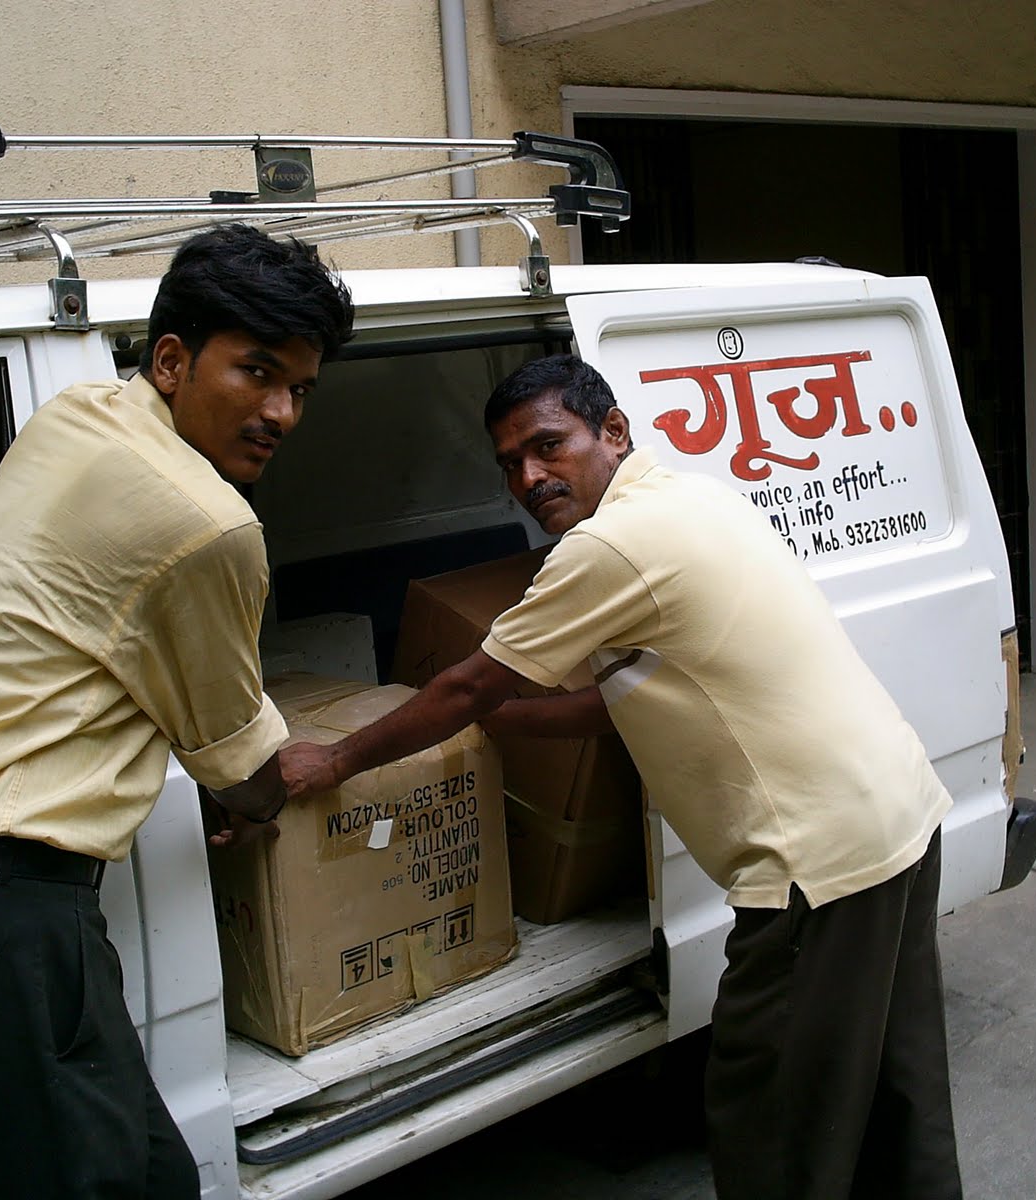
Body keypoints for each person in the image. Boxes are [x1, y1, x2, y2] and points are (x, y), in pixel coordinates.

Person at [280, 354, 964, 1200]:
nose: (529, 477)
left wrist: (337, 756)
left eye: (547, 446)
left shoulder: (606, 547)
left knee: (775, 1114)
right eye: (509, 464)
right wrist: (501, 726)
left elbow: (468, 682)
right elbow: (638, 694)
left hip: (813, 869)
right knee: (898, 1098)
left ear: (612, 431)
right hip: (897, 814)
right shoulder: (688, 496)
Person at [0, 224, 354, 1199]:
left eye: (300, 388)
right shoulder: (205, 525)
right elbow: (239, 765)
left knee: (151, 1179)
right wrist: (274, 789)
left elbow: (100, 638)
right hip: (1, 915)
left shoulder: (76, 414)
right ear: (170, 358)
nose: (281, 412)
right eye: (256, 373)